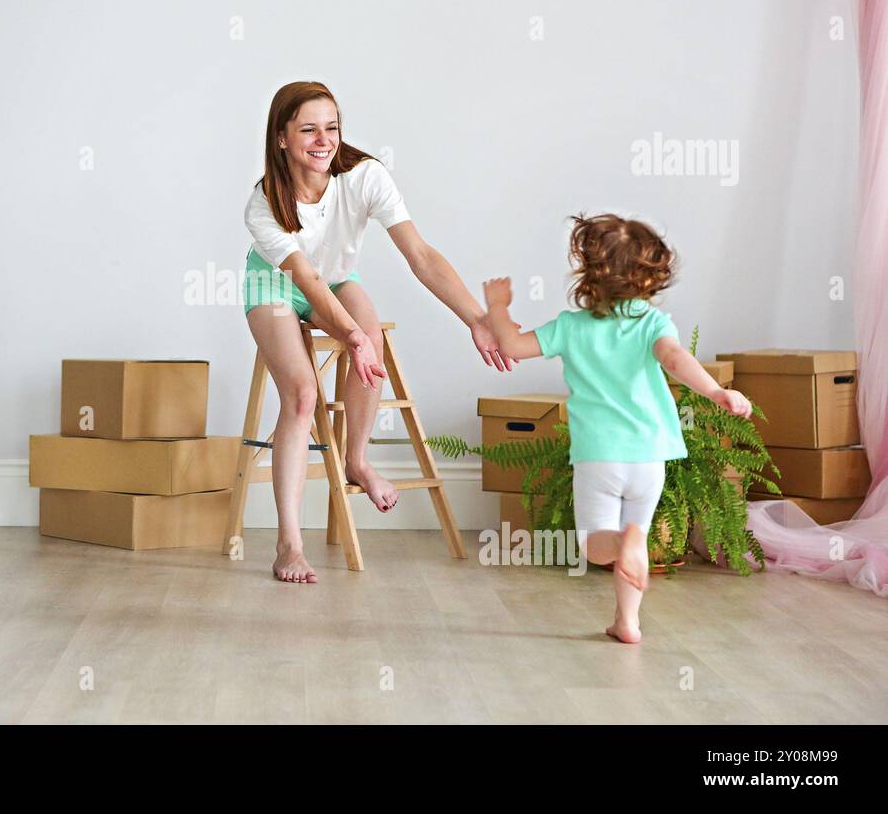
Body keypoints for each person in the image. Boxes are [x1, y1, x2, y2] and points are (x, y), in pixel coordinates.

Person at [243, 81, 513, 584]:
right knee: (302, 395)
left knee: (374, 337)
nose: (323, 139)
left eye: (332, 126)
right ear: (281, 137)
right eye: (308, 129)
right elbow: (305, 280)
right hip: (276, 285)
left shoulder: (366, 176)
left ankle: (357, 461)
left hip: (337, 279)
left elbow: (421, 255)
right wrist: (351, 336)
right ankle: (288, 544)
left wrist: (476, 318)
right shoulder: (264, 204)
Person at [480, 212, 752, 642]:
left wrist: (497, 306)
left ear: (589, 274)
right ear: (649, 277)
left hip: (599, 456)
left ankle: (622, 561)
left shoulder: (570, 327)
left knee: (594, 543)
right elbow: (676, 360)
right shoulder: (653, 324)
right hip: (649, 456)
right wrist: (717, 392)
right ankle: (627, 621)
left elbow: (512, 345)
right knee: (636, 538)